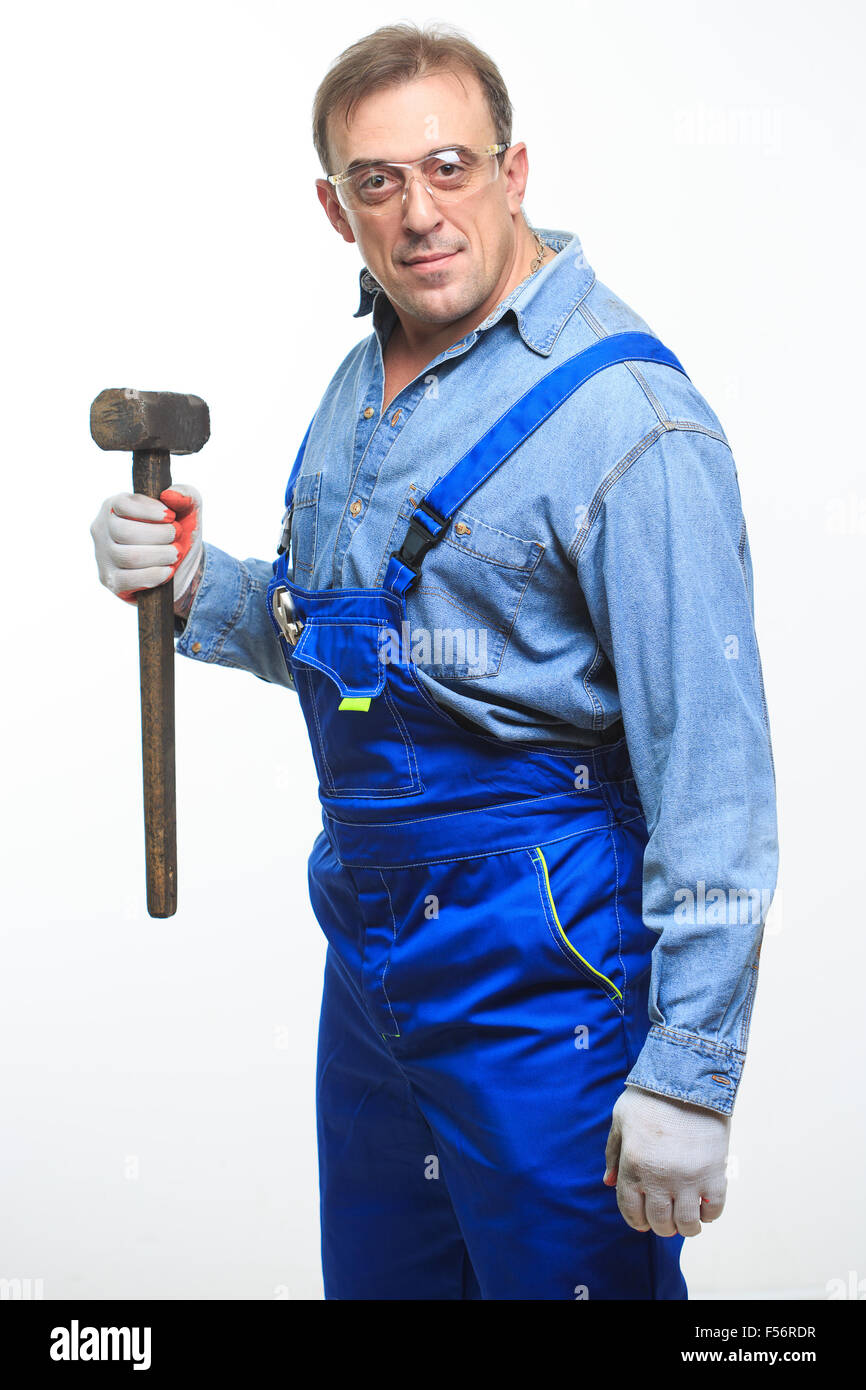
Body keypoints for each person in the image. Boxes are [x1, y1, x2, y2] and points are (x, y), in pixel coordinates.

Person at [90, 21, 779, 1300]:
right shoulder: (361, 387)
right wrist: (192, 582)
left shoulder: (629, 423)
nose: (419, 212)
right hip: (368, 960)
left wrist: (691, 1063)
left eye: (450, 165)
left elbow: (716, 775)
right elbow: (339, 649)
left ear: (515, 173)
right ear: (333, 207)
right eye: (378, 181)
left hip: (544, 977)